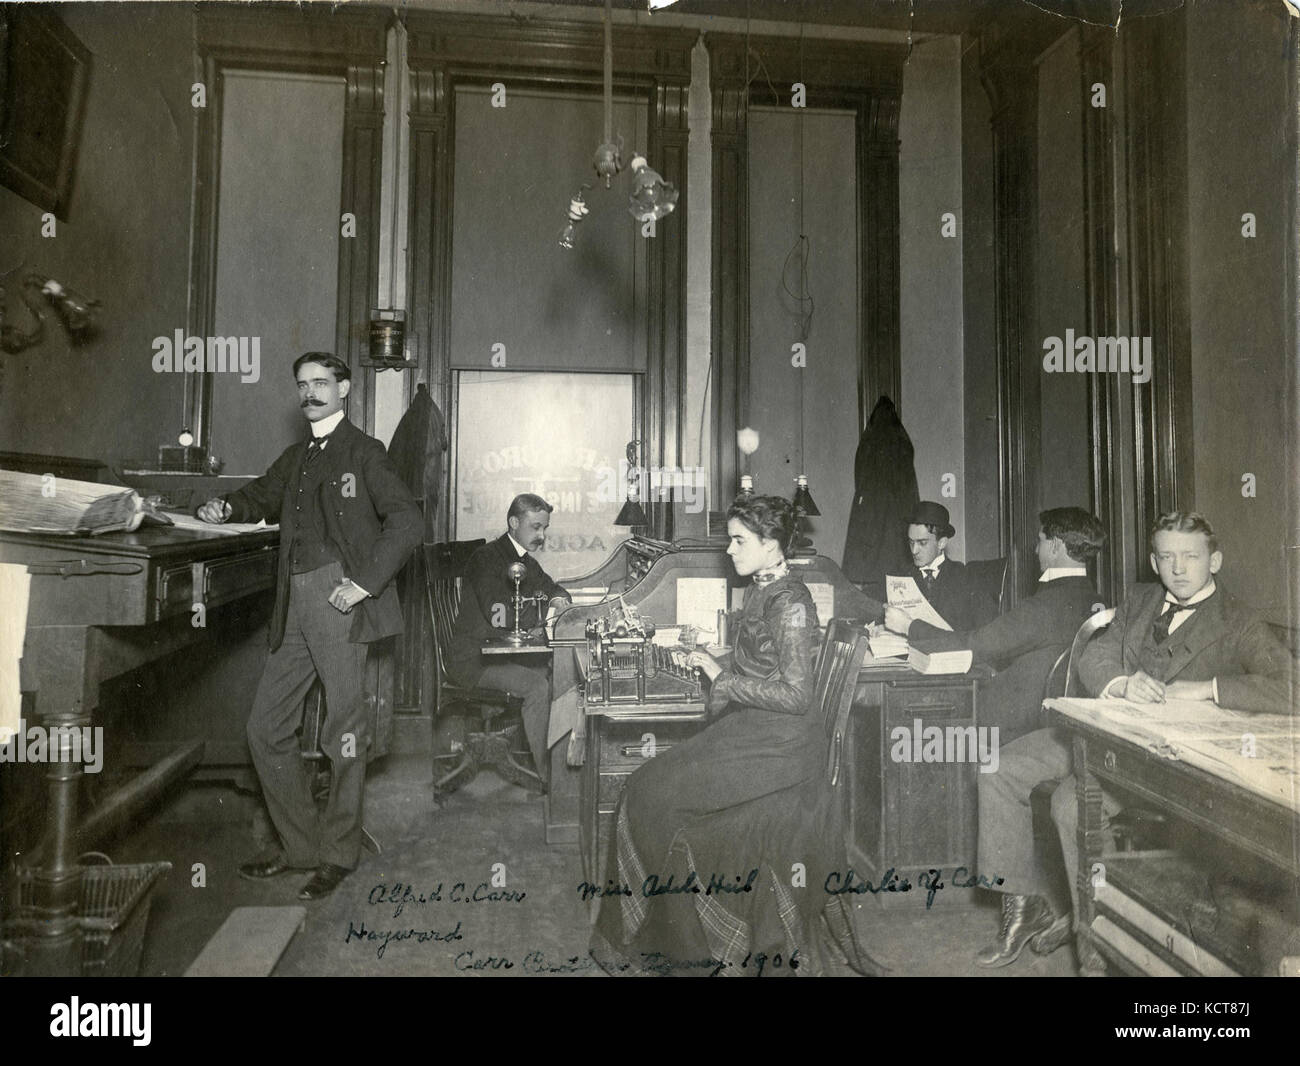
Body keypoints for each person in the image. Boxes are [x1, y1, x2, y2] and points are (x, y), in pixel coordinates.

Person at [974, 511, 1295, 968]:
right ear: (1153, 560)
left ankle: (1094, 922)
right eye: (1166, 557)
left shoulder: (1237, 620)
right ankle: (1023, 905)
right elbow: (1096, 654)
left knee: (1069, 805)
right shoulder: (1140, 599)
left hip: (1154, 763)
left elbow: (1292, 684)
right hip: (1097, 733)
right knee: (995, 767)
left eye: (1191, 557)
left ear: (1216, 560)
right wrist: (1121, 683)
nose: (1178, 568)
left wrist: (1210, 690)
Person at [591, 495, 870, 976]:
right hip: (756, 731)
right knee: (648, 787)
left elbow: (797, 695)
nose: (731, 550)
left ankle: (683, 954)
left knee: (650, 794)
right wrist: (713, 664)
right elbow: (764, 669)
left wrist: (725, 682)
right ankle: (664, 942)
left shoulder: (791, 603)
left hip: (782, 748)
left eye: (740, 540)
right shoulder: (764, 588)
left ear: (772, 544)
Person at [198, 352, 421, 900]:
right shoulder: (296, 456)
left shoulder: (364, 452)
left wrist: (363, 583)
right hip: (291, 601)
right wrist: (225, 507)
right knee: (265, 728)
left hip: (338, 599)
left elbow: (409, 520)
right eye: (303, 384)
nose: (310, 392)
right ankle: (300, 847)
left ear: (344, 388)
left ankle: (339, 854)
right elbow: (258, 497)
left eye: (322, 383)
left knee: (342, 730)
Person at [885, 506, 1106, 742]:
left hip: (1006, 724)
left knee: (912, 727)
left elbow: (973, 644)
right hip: (1058, 723)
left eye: (1040, 541)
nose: (1035, 550)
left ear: (1054, 546)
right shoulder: (1099, 604)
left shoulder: (1040, 607)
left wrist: (909, 626)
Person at [443, 494, 572, 775]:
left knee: (561, 673)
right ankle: (552, 779)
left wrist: (557, 602)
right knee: (538, 688)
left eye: (544, 529)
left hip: (500, 654)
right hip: (472, 660)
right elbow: (498, 614)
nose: (541, 535)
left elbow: (554, 589)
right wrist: (538, 618)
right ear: (514, 522)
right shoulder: (486, 558)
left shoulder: (526, 561)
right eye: (536, 527)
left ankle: (557, 761)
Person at [901, 501, 986, 633]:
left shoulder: (966, 577)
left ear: (941, 543)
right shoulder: (901, 575)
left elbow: (985, 628)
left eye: (922, 543)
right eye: (911, 542)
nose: (914, 550)